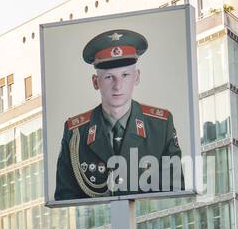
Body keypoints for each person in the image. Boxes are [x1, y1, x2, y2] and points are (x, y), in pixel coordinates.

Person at [53, 29, 184, 202]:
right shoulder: (76, 133)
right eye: (109, 77)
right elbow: (66, 199)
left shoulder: (160, 126)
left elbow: (175, 195)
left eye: (125, 75)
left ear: (136, 77)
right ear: (95, 82)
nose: (118, 86)